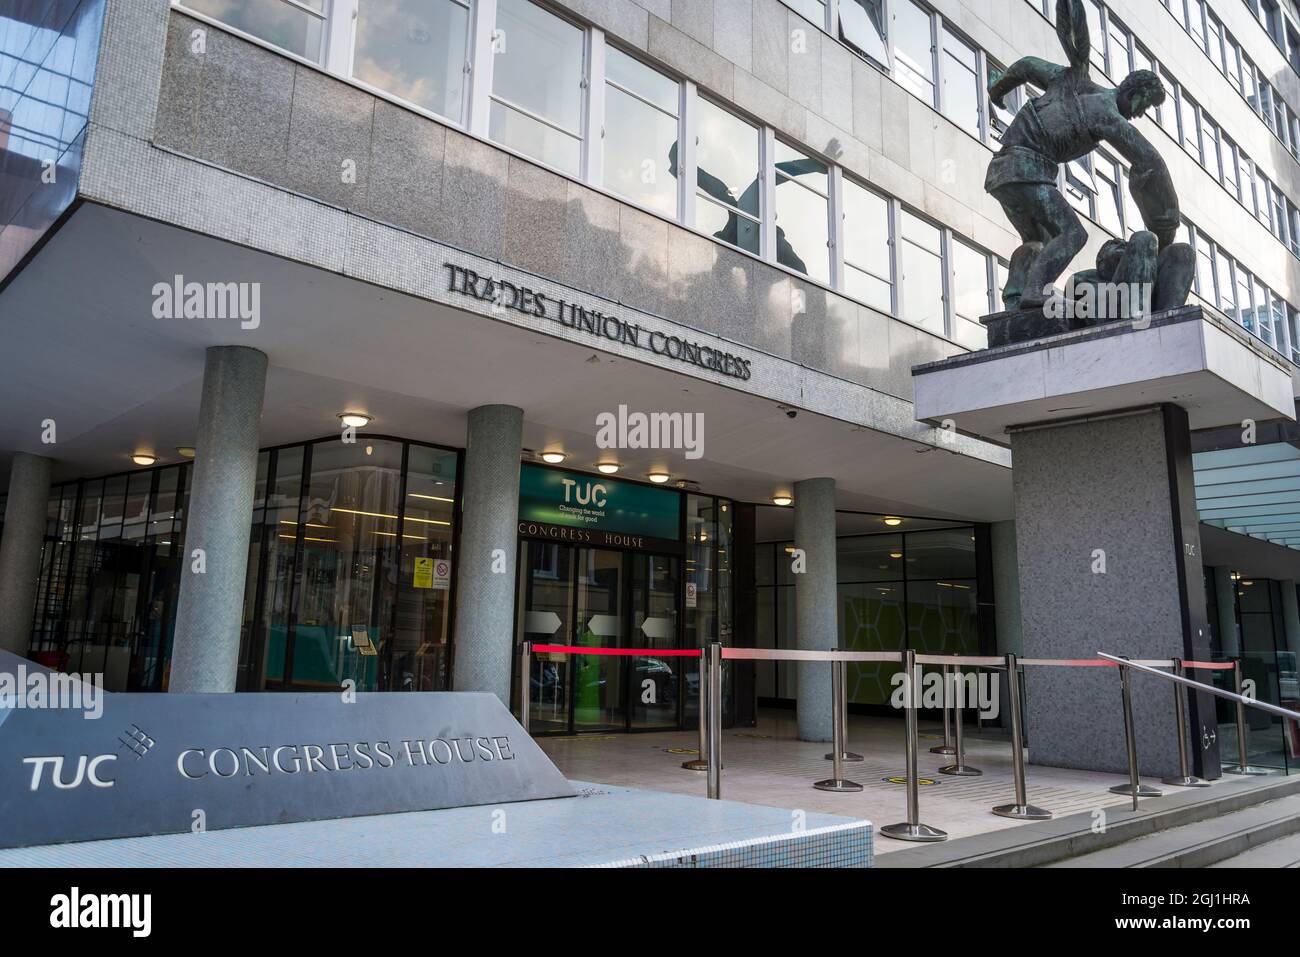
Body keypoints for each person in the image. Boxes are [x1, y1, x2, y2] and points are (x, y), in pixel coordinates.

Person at [986, 0, 1178, 310]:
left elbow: (1027, 65)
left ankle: (1015, 297)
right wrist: (1166, 226)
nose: (1142, 113)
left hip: (1001, 173)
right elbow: (1149, 160)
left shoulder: (1070, 79)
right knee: (1073, 234)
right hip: (1026, 168)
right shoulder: (1106, 114)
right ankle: (1035, 291)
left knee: (1039, 242)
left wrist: (999, 88)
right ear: (1135, 89)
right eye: (1146, 103)